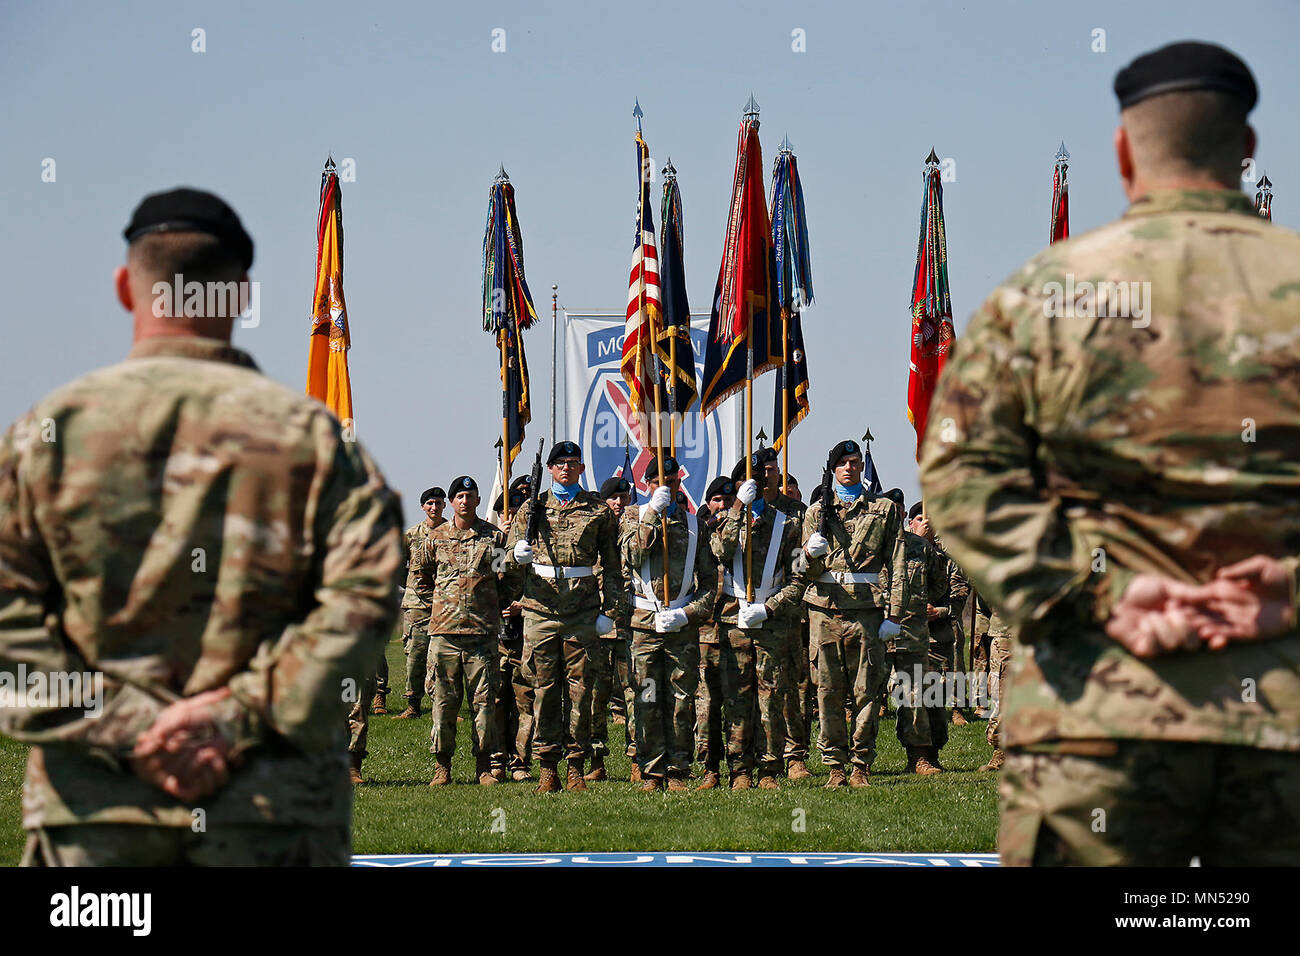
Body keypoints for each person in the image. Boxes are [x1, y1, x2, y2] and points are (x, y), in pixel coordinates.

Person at [921, 41, 1300, 865]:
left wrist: (1105, 593)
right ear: (1248, 149)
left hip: (1097, 717)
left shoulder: (1043, 298)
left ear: (1125, 152)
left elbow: (959, 476)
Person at [0, 187, 404, 865]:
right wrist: (235, 715)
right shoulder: (314, 442)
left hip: (97, 826)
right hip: (271, 820)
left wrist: (130, 728)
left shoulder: (45, 437)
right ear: (241, 296)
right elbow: (363, 606)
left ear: (127, 288)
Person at [507, 441, 625, 793]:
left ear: (582, 469)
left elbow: (614, 567)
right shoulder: (533, 508)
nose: (567, 468)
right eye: (561, 464)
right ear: (552, 469)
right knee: (543, 690)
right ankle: (547, 767)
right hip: (541, 609)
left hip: (582, 610)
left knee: (581, 691)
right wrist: (518, 555)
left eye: (574, 463)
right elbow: (508, 566)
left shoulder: (599, 511)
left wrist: (609, 611)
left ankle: (575, 765)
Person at [801, 440, 906, 788]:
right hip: (825, 609)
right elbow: (802, 571)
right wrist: (809, 554)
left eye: (855, 461)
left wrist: (895, 614)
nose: (849, 467)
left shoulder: (884, 509)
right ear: (833, 469)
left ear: (862, 466)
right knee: (828, 691)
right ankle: (834, 764)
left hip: (867, 610)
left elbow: (898, 562)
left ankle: (861, 762)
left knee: (866, 690)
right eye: (843, 462)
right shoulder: (816, 512)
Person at [620, 457, 718, 791]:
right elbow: (631, 556)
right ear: (647, 483)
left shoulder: (694, 525)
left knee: (681, 699)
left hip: (680, 623)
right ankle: (651, 769)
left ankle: (678, 768)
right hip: (644, 624)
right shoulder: (632, 517)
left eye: (673, 481)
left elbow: (708, 583)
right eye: (660, 481)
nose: (668, 486)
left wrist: (687, 613)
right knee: (646, 698)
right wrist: (651, 515)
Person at [712, 455, 807, 789]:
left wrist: (770, 607)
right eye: (748, 479)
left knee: (772, 696)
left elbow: (798, 580)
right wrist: (738, 506)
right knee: (737, 697)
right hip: (732, 621)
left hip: (771, 623)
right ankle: (739, 770)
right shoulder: (722, 519)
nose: (758, 482)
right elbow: (721, 552)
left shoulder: (787, 525)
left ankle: (769, 769)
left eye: (762, 478)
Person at [416, 477, 509, 786]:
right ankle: (442, 767)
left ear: (478, 500)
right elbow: (423, 577)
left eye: (469, 495)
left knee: (484, 705)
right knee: (443, 705)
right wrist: (443, 606)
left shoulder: (493, 538)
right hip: (444, 636)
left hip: (481, 636)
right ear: (452, 502)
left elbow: (504, 578)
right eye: (459, 496)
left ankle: (483, 767)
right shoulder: (435, 537)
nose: (464, 501)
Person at [907, 502, 972, 727]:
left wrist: (940, 611)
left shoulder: (948, 556)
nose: (926, 524)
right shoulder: (901, 552)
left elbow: (960, 591)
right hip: (909, 625)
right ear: (910, 524)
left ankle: (956, 708)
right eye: (919, 519)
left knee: (951, 666)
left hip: (941, 624)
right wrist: (920, 544)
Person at [589, 475, 637, 781]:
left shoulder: (635, 530)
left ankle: (637, 759)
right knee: (594, 696)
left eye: (624, 498)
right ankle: (596, 761)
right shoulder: (593, 532)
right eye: (613, 498)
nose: (619, 503)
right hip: (596, 627)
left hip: (630, 626)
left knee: (636, 695)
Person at [490, 480, 535, 781]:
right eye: (510, 512)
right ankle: (495, 760)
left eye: (521, 511)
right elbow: (483, 584)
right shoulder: (493, 546)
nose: (514, 517)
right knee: (494, 700)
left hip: (528, 632)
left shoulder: (537, 545)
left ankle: (520, 762)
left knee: (525, 700)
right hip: (496, 635)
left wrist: (524, 604)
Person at [391, 487, 446, 720]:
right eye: (430, 503)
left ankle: (441, 704)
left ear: (445, 505)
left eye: (438, 503)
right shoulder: (411, 535)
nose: (434, 507)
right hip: (417, 605)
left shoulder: (451, 532)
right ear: (423, 507)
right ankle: (413, 704)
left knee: (443, 657)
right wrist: (414, 586)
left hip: (445, 603)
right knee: (415, 654)